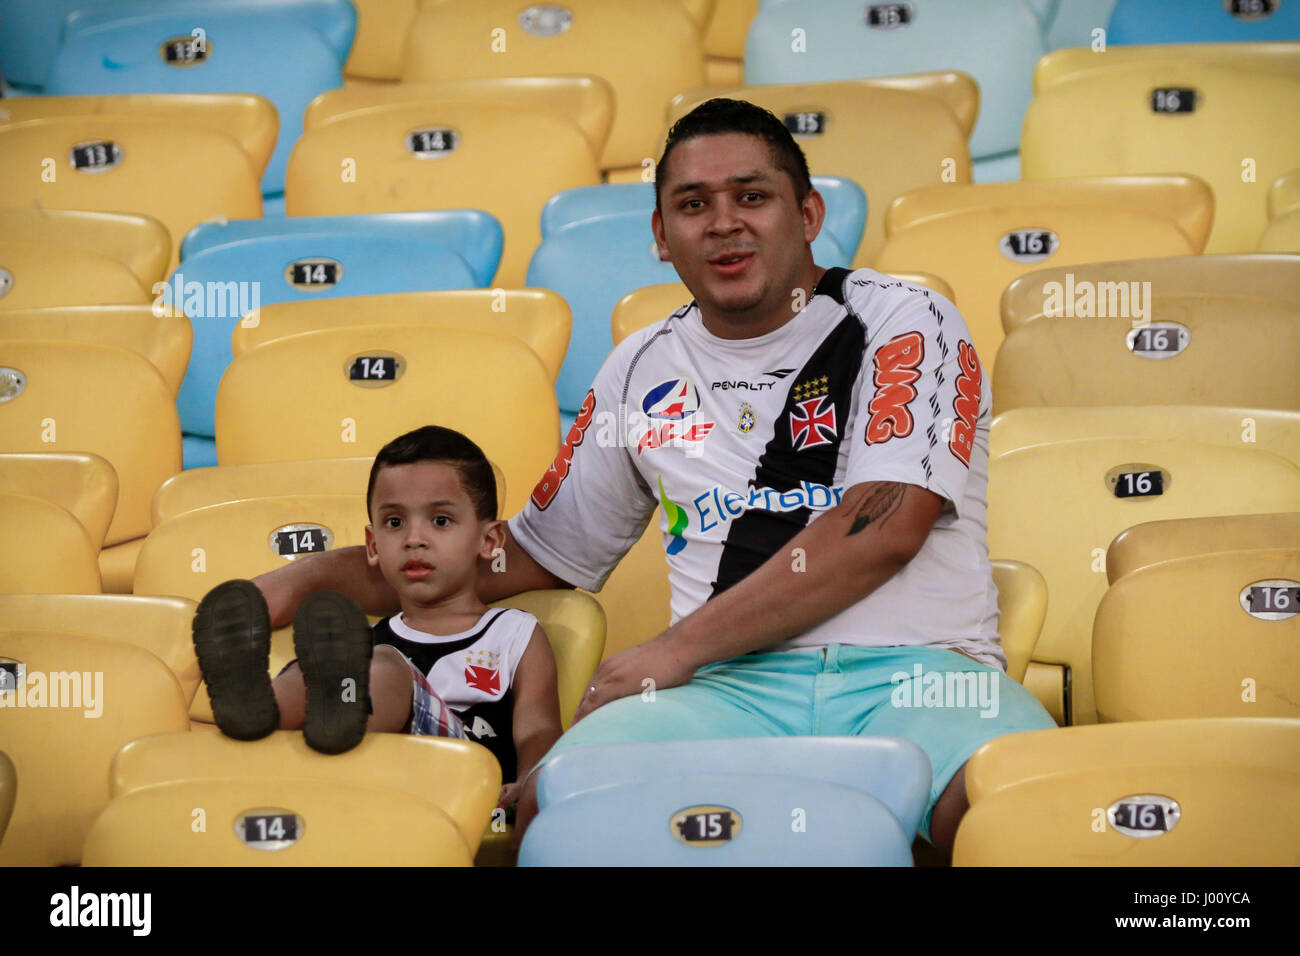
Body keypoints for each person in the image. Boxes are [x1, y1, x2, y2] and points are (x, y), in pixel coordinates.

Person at [254, 98, 1056, 860]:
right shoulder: (640, 368)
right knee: (557, 802)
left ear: (810, 216)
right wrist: (301, 582)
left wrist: (675, 648)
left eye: (753, 196)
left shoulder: (903, 317)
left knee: (1015, 818)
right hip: (725, 692)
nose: (724, 224)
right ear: (662, 236)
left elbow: (885, 529)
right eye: (693, 205)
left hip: (920, 676)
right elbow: (529, 557)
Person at [192, 426, 563, 814]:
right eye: (394, 523)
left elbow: (538, 729)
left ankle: (277, 721)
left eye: (440, 521)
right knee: (328, 665)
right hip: (370, 790)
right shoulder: (366, 643)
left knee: (377, 665)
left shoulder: (514, 634)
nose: (414, 539)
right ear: (373, 546)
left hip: (463, 786)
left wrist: (528, 783)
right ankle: (257, 714)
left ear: (489, 541)